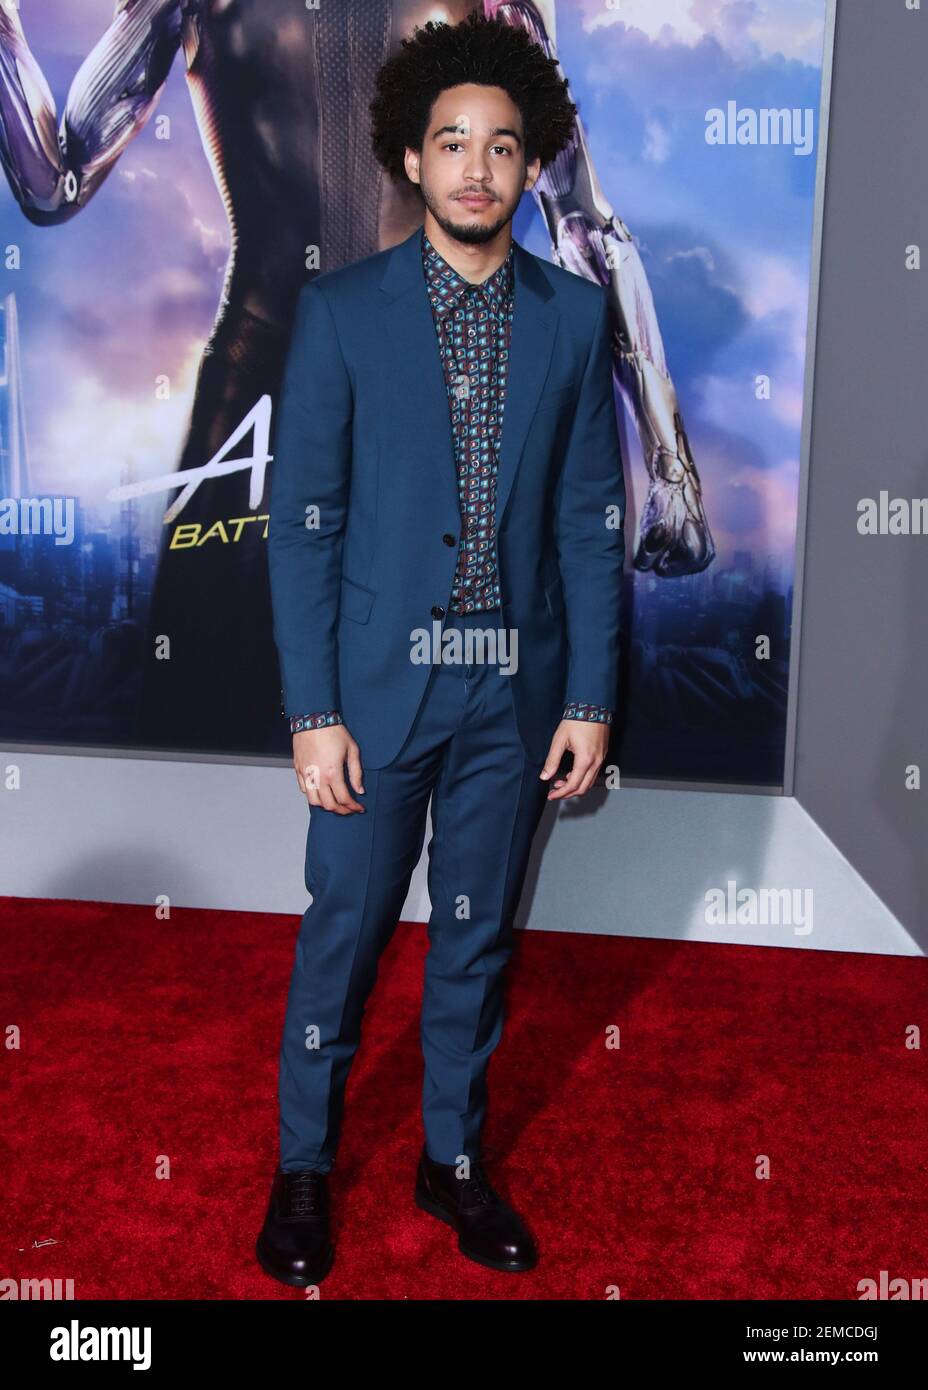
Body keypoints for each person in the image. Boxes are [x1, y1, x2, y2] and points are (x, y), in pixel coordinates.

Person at [256, 13, 626, 1287]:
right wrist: (313, 711)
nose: (477, 166)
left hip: (509, 700)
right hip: (372, 694)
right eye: (452, 142)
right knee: (346, 932)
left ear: (531, 169)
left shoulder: (576, 324)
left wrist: (587, 695)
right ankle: (306, 1165)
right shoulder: (343, 311)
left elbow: (588, 520)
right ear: (409, 160)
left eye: (504, 146)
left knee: (475, 937)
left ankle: (451, 1161)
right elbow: (302, 531)